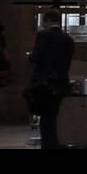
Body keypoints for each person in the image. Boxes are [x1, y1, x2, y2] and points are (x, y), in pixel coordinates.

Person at [27, 9, 75, 149]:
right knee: (55, 117)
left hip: (44, 85)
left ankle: (48, 145)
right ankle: (56, 144)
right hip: (61, 84)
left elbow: (35, 58)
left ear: (47, 21)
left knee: (45, 119)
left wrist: (29, 56)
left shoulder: (43, 35)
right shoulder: (68, 39)